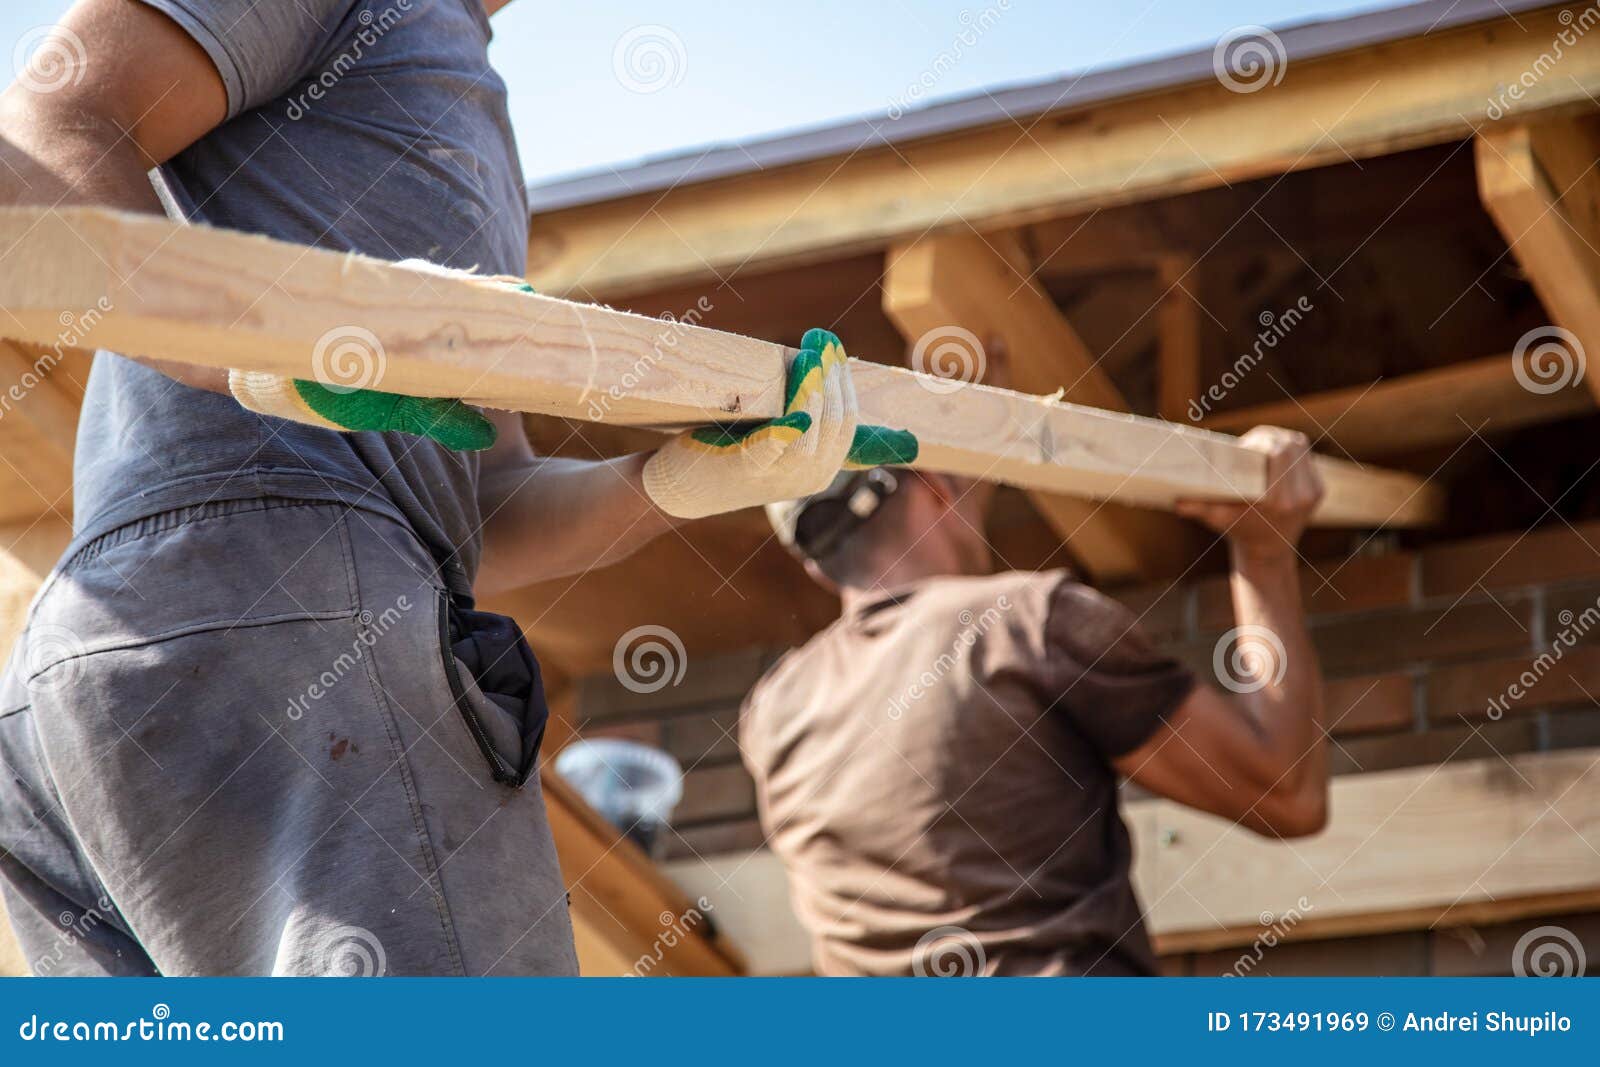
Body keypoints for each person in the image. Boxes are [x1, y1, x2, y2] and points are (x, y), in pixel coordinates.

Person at [0, 0, 888, 975]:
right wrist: (264, 345)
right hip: (278, 610)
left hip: (122, 664)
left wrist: (671, 482)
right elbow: (45, 132)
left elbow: (485, 503)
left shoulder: (463, 97)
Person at [743, 427, 1328, 976]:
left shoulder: (773, 711)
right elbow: (1286, 795)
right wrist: (1267, 553)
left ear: (817, 562)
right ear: (938, 485)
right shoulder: (1025, 623)